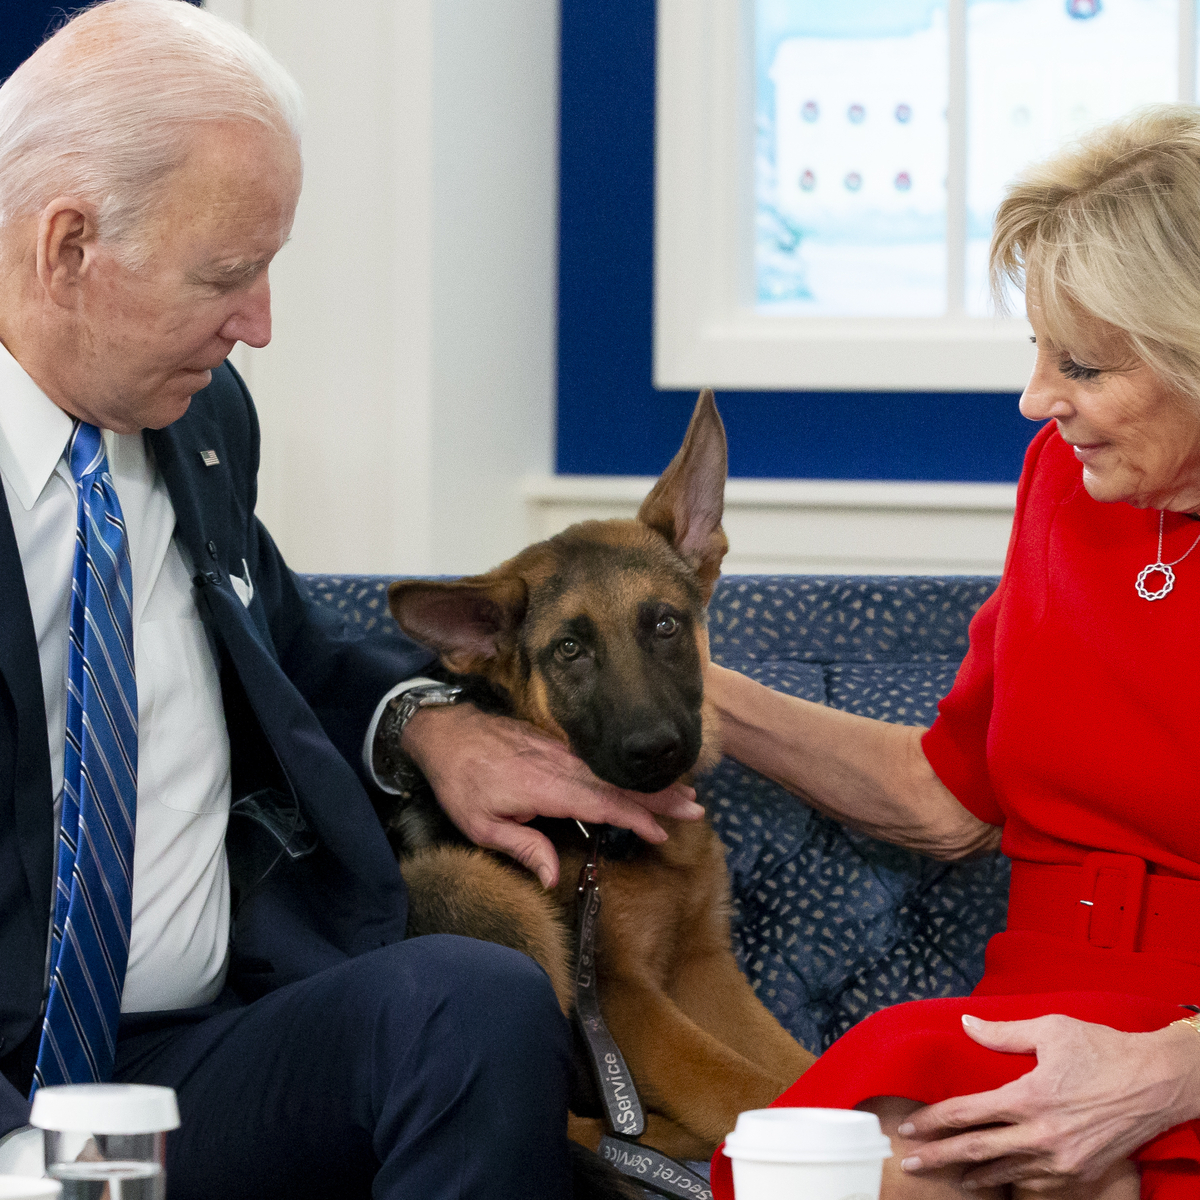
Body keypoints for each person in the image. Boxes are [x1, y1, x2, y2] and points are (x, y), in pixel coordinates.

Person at [0, 2, 702, 1196]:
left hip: (185, 1060)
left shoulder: (196, 416)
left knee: (470, 999)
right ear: (67, 246)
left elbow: (284, 641)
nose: (260, 324)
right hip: (14, 1081)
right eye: (226, 274)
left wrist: (434, 729)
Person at [707, 103, 1200, 1200]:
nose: (1038, 400)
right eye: (1036, 350)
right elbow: (955, 794)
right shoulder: (1061, 485)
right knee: (819, 1166)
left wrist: (1168, 1075)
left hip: (1185, 1050)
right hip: (1023, 1017)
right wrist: (696, 694)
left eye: (1083, 364)